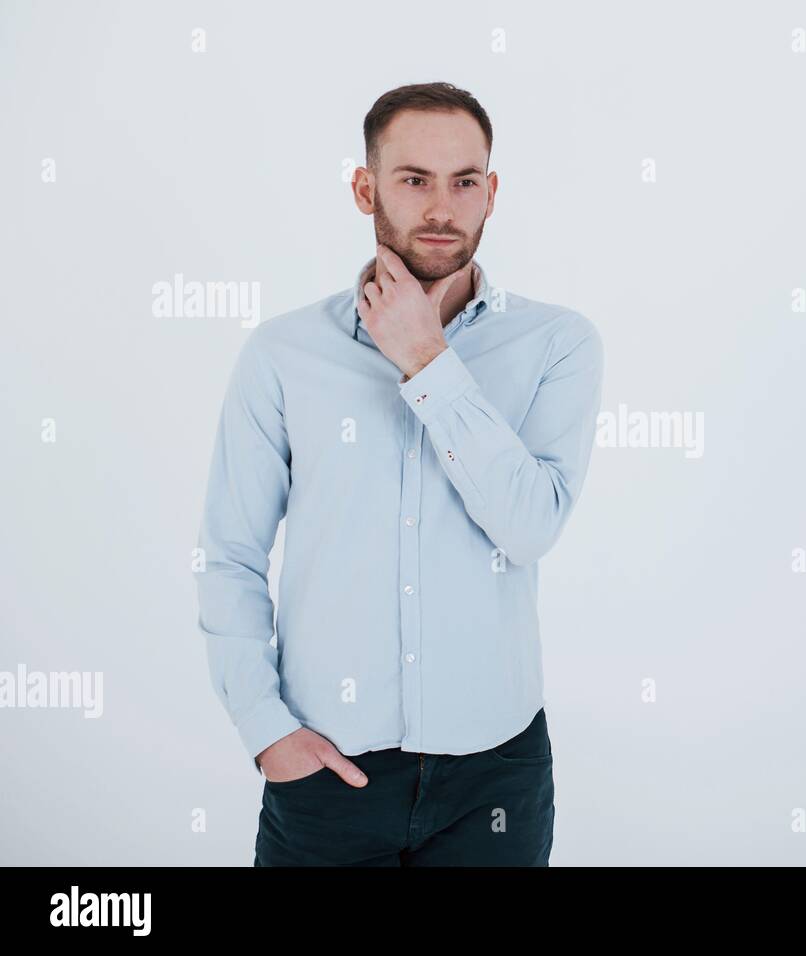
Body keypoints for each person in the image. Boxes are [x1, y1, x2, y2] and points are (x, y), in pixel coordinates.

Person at [194, 82, 603, 866]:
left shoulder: (559, 345)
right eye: (413, 180)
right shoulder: (283, 355)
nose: (442, 208)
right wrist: (265, 730)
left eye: (465, 181)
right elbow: (229, 555)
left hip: (498, 773)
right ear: (364, 188)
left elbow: (528, 528)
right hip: (325, 772)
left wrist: (426, 359)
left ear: (493, 192)